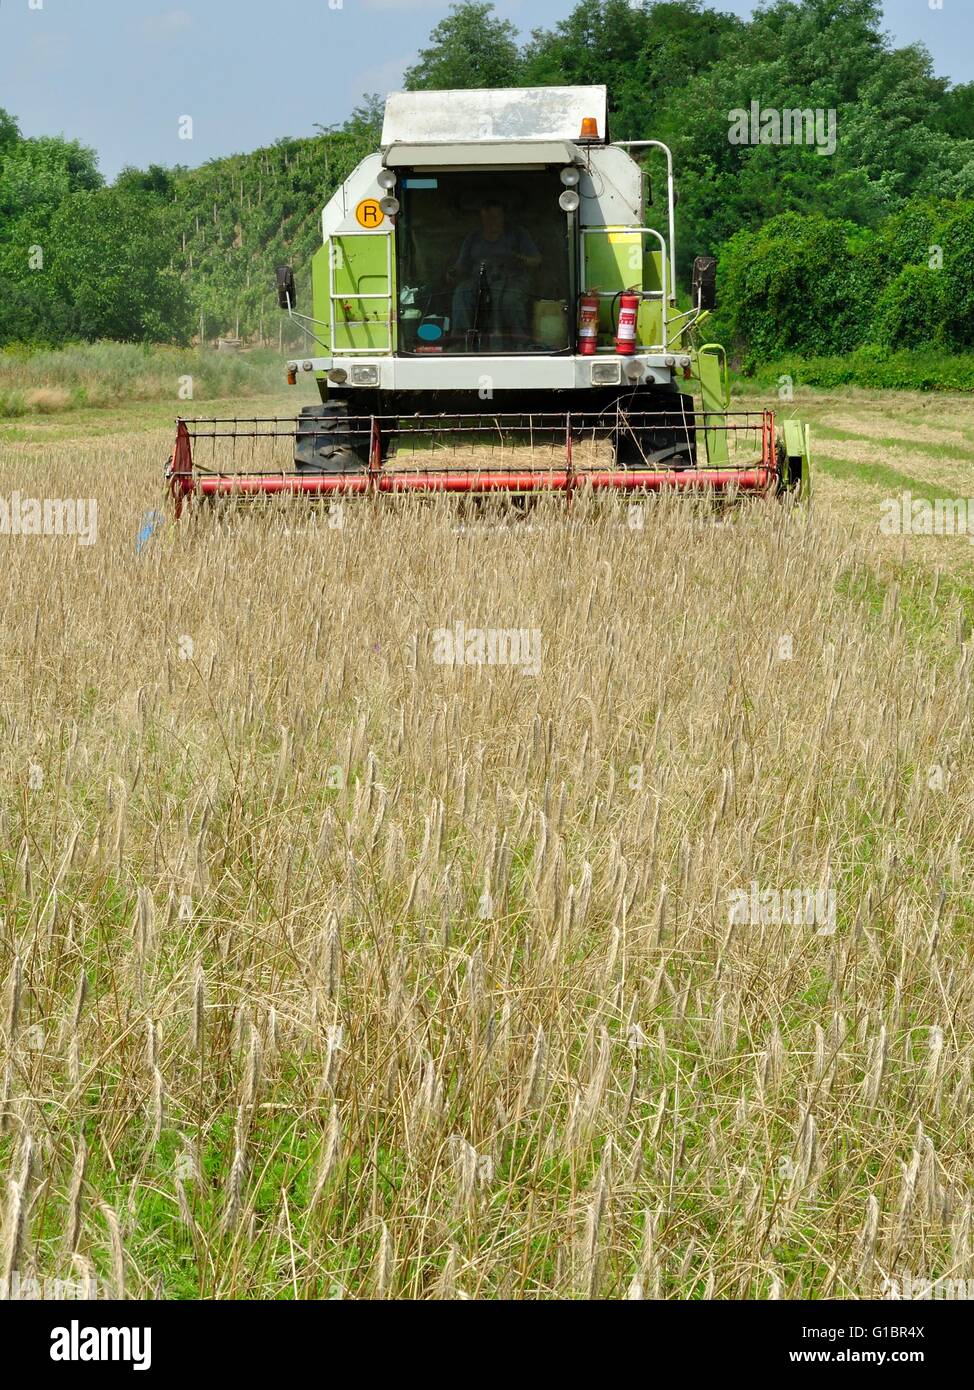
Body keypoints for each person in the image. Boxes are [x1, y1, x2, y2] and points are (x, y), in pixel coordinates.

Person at [450, 200, 541, 349]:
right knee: (461, 293)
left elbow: (536, 260)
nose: (491, 220)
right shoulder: (473, 237)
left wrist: (518, 258)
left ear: (503, 216)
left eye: (495, 216)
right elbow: (461, 266)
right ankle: (463, 341)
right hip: (479, 280)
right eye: (487, 216)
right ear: (481, 217)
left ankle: (519, 343)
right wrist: (452, 273)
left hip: (512, 279)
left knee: (509, 300)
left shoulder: (518, 234)